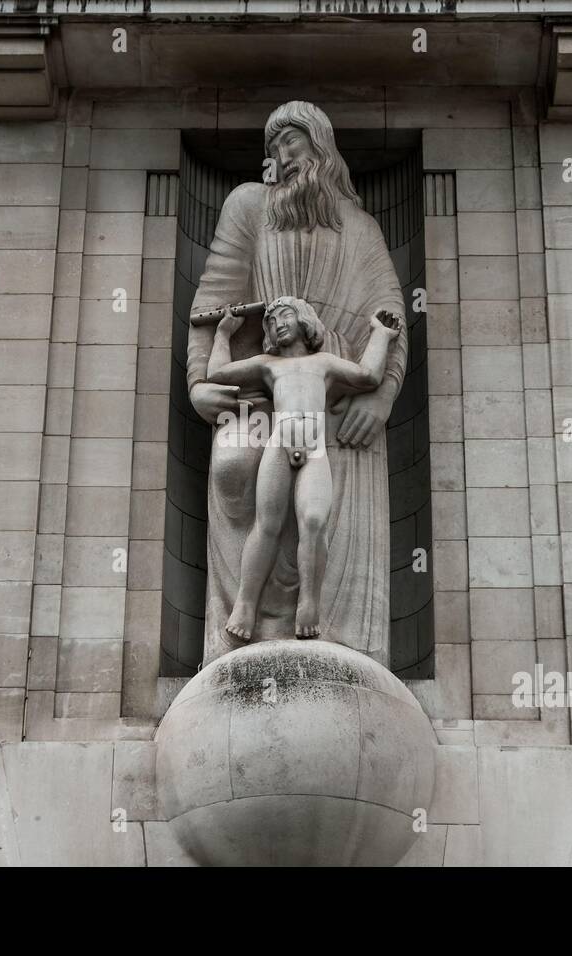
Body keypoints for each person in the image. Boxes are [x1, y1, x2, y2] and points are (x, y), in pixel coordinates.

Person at [187, 101, 409, 665]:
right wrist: (197, 381)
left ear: (320, 144)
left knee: (316, 516)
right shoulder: (248, 206)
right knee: (237, 471)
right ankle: (244, 627)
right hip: (260, 401)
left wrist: (382, 396)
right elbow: (214, 302)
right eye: (274, 146)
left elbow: (388, 312)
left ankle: (332, 637)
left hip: (339, 414)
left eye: (291, 141)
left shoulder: (362, 228)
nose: (281, 156)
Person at [205, 297, 401, 640]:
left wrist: (380, 335)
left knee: (313, 521)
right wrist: (223, 333)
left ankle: (309, 603)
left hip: (314, 448)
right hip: (279, 444)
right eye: (271, 321)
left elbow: (369, 376)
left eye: (286, 316)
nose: (278, 324)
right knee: (267, 524)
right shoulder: (268, 365)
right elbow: (217, 374)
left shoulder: (324, 363)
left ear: (304, 320)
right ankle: (245, 605)